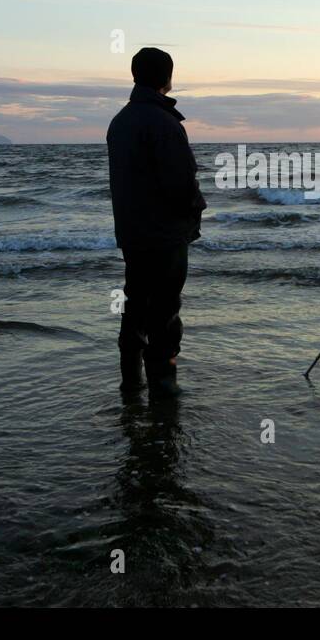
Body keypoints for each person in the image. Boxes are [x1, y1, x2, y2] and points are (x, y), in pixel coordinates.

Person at [106, 47, 206, 397]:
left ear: (135, 76)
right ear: (168, 78)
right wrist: (196, 209)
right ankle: (164, 389)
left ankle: (131, 383)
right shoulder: (163, 122)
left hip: (134, 234)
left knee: (136, 306)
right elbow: (180, 183)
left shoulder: (121, 121)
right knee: (164, 312)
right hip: (164, 235)